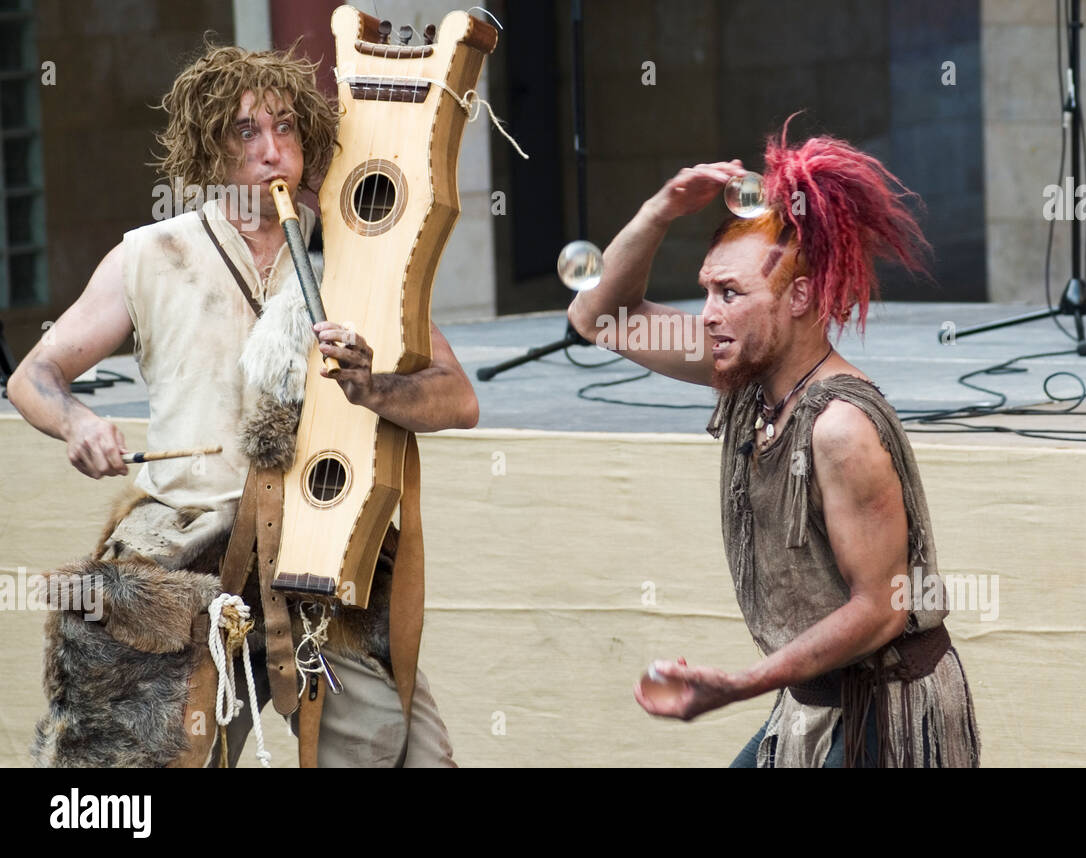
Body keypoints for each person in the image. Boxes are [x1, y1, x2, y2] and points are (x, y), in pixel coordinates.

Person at [8, 42, 477, 767]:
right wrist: (77, 422)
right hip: (187, 559)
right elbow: (34, 375)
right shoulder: (150, 254)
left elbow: (459, 398)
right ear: (208, 147)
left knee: (408, 756)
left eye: (286, 129)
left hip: (322, 556)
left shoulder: (354, 257)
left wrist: (372, 387)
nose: (272, 152)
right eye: (245, 132)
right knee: (127, 778)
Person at [568, 119, 980, 767]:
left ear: (800, 297)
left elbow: (880, 610)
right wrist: (661, 210)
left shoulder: (842, 426)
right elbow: (596, 318)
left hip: (889, 714)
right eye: (707, 290)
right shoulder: (742, 368)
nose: (708, 315)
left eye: (730, 293)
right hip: (810, 705)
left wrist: (740, 684)